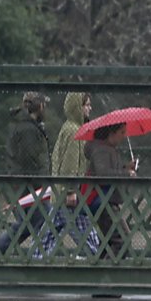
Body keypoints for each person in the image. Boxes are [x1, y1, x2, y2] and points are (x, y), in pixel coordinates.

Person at [35, 92, 103, 258]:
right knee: (85, 233)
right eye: (86, 105)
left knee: (48, 234)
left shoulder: (69, 127)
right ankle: (97, 258)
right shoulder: (75, 131)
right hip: (68, 194)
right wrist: (71, 190)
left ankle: (35, 258)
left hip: (60, 192)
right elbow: (70, 164)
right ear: (78, 108)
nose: (90, 108)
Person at [0, 90, 51, 258]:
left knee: (32, 223)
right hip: (29, 185)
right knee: (35, 222)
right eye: (44, 104)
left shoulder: (25, 126)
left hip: (26, 184)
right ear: (39, 106)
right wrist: (43, 179)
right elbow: (31, 159)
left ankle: (36, 255)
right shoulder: (28, 130)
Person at [81, 120, 137, 260]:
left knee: (110, 240)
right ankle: (105, 273)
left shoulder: (104, 149)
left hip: (104, 200)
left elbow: (107, 170)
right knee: (122, 240)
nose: (124, 136)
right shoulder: (102, 150)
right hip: (103, 200)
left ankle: (100, 270)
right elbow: (103, 174)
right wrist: (126, 174)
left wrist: (126, 168)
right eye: (122, 132)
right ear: (111, 133)